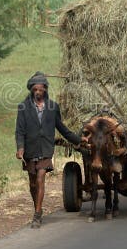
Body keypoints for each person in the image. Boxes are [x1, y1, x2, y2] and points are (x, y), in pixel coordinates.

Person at [15, 71, 81, 228]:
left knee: (40, 177)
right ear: (31, 90)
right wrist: (20, 148)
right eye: (35, 90)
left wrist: (78, 140)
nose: (38, 92)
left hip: (45, 148)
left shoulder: (53, 107)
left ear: (45, 89)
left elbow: (62, 128)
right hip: (30, 149)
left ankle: (37, 214)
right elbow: (19, 130)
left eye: (41, 89)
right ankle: (37, 206)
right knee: (32, 183)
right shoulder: (23, 107)